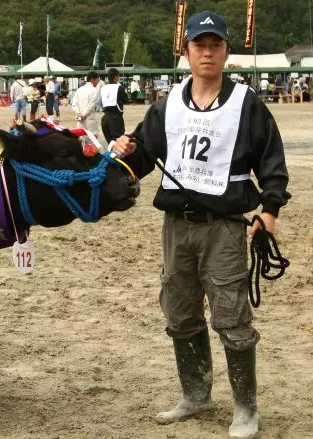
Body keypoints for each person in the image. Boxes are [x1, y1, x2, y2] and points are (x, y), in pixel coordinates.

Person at [112, 11, 289, 439]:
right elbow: (141, 158)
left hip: (224, 227)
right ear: (186, 51)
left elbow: (272, 165)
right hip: (176, 226)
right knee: (180, 311)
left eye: (215, 45)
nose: (207, 52)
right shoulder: (165, 106)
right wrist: (123, 149)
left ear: (227, 51)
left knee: (232, 316)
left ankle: (246, 408)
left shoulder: (247, 105)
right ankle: (195, 394)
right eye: (199, 45)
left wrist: (269, 213)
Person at [99, 68, 129, 143]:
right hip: (115, 118)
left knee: (110, 143)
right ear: (116, 77)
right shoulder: (119, 87)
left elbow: (100, 102)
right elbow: (126, 100)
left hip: (105, 118)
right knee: (118, 142)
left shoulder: (103, 88)